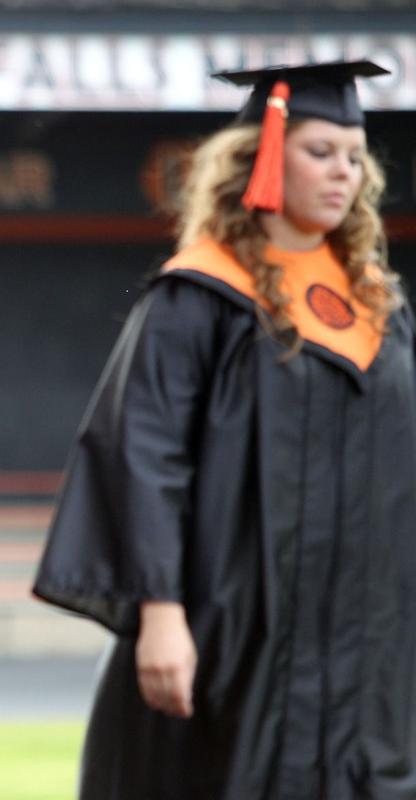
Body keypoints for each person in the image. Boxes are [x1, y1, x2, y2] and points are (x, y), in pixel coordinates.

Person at [33, 61, 414, 799]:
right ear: (262, 157)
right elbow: (143, 456)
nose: (343, 173)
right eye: (319, 151)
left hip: (363, 647)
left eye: (354, 158)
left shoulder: (380, 310)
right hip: (233, 635)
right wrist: (162, 615)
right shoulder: (198, 298)